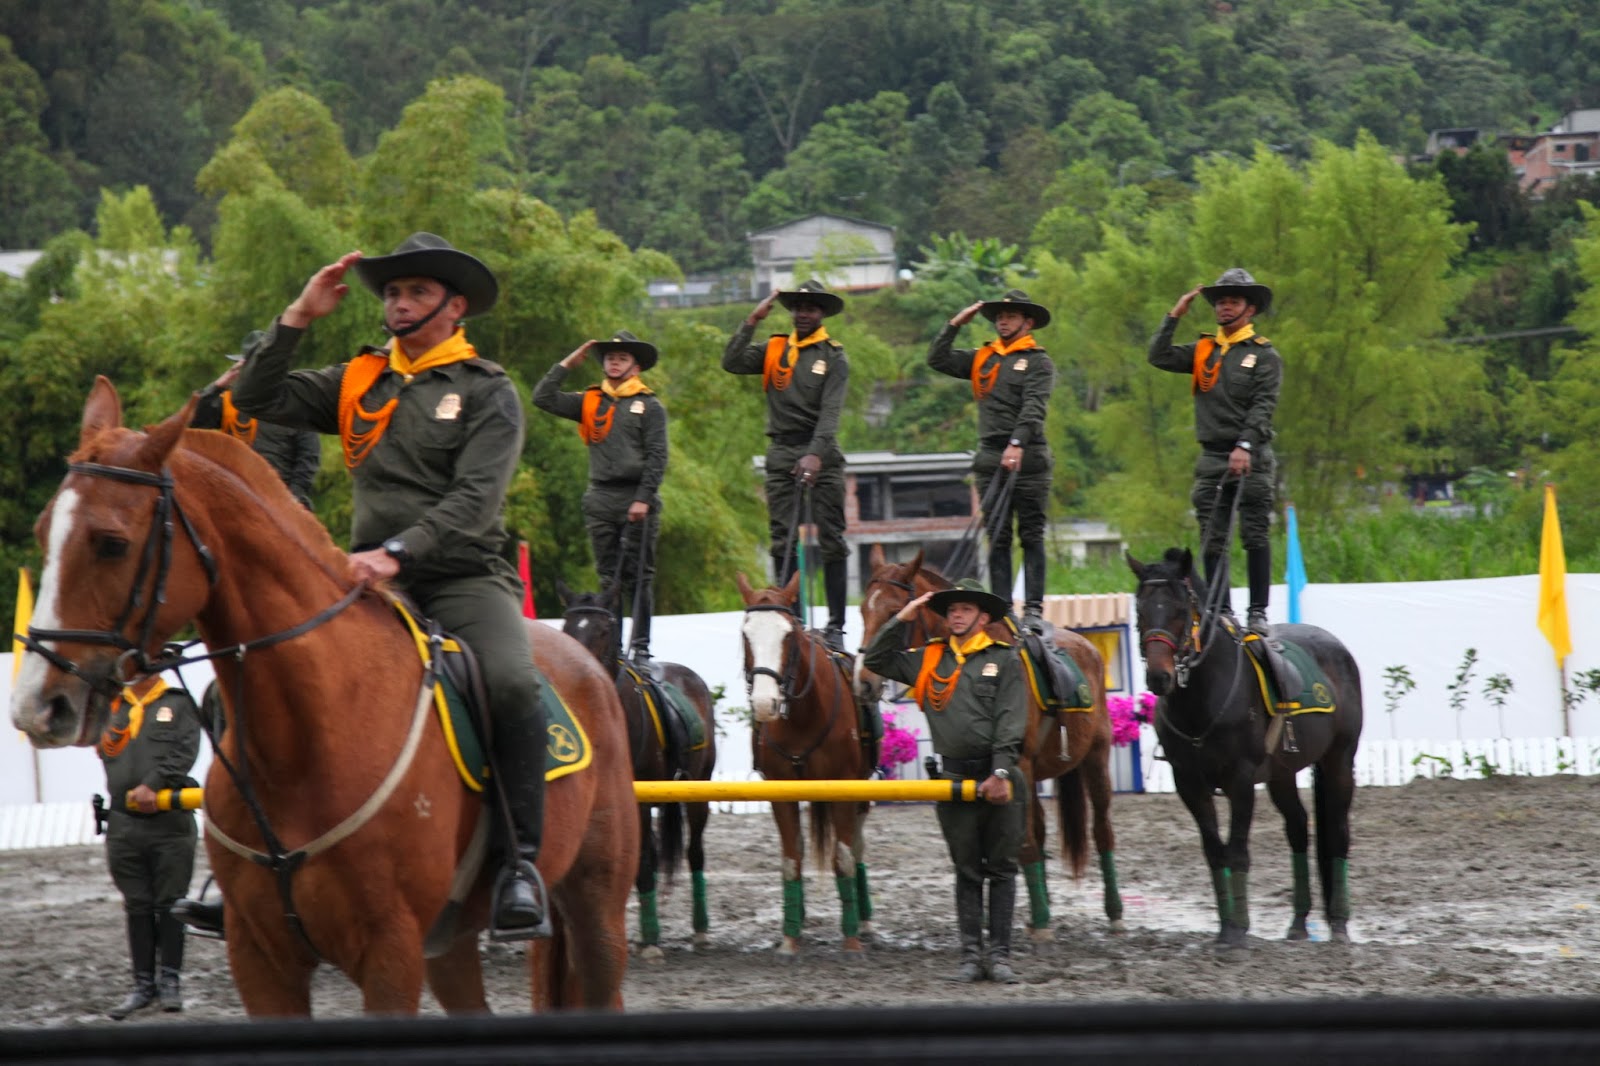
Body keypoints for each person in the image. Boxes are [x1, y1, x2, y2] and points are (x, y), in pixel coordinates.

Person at [225, 232, 550, 938]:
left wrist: (397, 553)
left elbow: (475, 502)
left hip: (462, 575)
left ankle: (521, 861)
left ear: (455, 306)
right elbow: (255, 396)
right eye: (394, 293)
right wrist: (298, 318)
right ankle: (242, 858)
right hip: (367, 576)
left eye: (418, 292)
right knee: (265, 668)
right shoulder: (356, 378)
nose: (400, 304)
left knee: (514, 682)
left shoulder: (487, 389)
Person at [862, 579, 1028, 983]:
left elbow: (1011, 718)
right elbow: (879, 659)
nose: (956, 614)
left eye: (966, 609)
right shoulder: (930, 658)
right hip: (953, 776)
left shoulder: (1004, 660)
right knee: (966, 868)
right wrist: (904, 616)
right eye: (951, 609)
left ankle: (1000, 956)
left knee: (1002, 868)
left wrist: (1001, 771)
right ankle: (971, 956)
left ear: (984, 618)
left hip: (998, 774)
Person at [1148, 268, 1283, 635]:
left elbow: (1263, 406)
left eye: (1233, 301)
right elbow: (1157, 356)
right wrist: (1174, 315)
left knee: (1254, 535)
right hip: (1211, 457)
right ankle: (1222, 610)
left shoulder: (1264, 355)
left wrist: (1245, 445)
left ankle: (1258, 612)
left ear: (1249, 309)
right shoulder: (1203, 350)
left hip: (1251, 456)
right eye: (1220, 301)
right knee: (1212, 537)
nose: (1224, 307)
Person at [723, 279, 851, 652]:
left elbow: (830, 414)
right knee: (783, 540)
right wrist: (752, 320)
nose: (803, 314)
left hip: (820, 451)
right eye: (797, 307)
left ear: (822, 313)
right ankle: (790, 616)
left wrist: (815, 453)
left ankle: (837, 624)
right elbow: (731, 362)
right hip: (781, 451)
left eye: (811, 308)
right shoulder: (775, 348)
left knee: (832, 540)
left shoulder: (833, 355)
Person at [532, 330, 667, 666]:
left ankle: (641, 646)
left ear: (635, 367)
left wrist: (644, 498)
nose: (614, 361)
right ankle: (615, 648)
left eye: (622, 358)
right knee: (610, 580)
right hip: (601, 496)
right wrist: (566, 365)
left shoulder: (649, 405)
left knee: (639, 576)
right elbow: (543, 397)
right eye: (609, 357)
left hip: (635, 496)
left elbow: (657, 455)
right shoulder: (590, 401)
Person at [928, 290, 1057, 633]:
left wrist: (1017, 443)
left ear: (1027, 322)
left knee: (1031, 535)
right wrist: (956, 323)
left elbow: (1034, 408)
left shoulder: (1038, 361)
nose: (1003, 320)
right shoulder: (982, 358)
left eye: (1011, 316)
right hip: (989, 455)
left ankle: (1032, 608)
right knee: (997, 536)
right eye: (1000, 315)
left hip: (1027, 455)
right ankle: (1002, 609)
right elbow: (937, 359)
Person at [97, 674, 202, 1019]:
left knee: (170, 903)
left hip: (168, 822)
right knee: (137, 905)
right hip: (123, 824)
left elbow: (185, 749)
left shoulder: (178, 702)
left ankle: (169, 981)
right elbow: (105, 751)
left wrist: (153, 784)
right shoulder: (113, 705)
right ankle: (143, 986)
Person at [191, 331, 321, 508]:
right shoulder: (230, 403)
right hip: (237, 501)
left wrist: (290, 501)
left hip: (283, 504)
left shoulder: (297, 404)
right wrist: (219, 384)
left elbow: (308, 460)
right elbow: (191, 420)